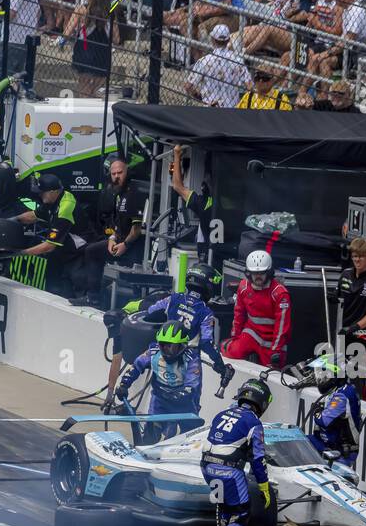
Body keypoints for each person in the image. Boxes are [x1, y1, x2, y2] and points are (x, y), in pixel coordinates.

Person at [129, 261, 232, 405]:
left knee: (159, 401)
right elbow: (206, 342)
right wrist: (220, 364)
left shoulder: (173, 298)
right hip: (188, 362)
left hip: (164, 353)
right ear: (208, 286)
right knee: (189, 411)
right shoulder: (205, 312)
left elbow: (151, 312)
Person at [201, 377, 273, 526]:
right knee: (239, 511)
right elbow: (258, 459)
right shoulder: (254, 423)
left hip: (207, 467)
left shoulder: (222, 414)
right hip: (228, 470)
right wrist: (264, 486)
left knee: (225, 508)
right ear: (262, 402)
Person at [72, 157, 143, 308]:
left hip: (133, 247)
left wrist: (125, 244)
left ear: (127, 172)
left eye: (120, 173)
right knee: (91, 250)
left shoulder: (134, 194)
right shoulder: (119, 194)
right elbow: (117, 223)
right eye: (114, 174)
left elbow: (136, 229)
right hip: (119, 242)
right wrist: (112, 238)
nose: (117, 176)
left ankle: (95, 299)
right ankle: (93, 298)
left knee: (92, 251)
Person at [114, 322, 203, 444]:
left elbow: (193, 385)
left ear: (182, 345)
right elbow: (136, 366)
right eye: (163, 345)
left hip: (185, 405)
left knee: (191, 439)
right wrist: (124, 384)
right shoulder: (153, 352)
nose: (166, 350)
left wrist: (178, 395)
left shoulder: (192, 358)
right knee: (148, 439)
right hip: (160, 402)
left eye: (171, 347)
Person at [223, 249, 291, 367]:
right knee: (231, 352)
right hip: (251, 333)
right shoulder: (243, 287)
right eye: (255, 273)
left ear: (268, 272)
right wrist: (235, 337)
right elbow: (238, 314)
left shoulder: (280, 293)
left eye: (261, 273)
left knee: (272, 371)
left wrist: (276, 351)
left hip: (272, 341)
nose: (258, 276)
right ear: (249, 273)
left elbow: (282, 327)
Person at [22, 172, 82, 295]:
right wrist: (11, 220)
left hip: (77, 251)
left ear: (53, 192)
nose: (39, 194)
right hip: (61, 248)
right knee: (51, 277)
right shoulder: (51, 201)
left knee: (63, 290)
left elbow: (49, 246)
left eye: (42, 192)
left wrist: (21, 253)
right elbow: (32, 216)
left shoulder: (65, 207)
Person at [333, 236, 366, 373]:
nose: (357, 260)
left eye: (361, 256)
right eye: (354, 256)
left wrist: (355, 327)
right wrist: (333, 298)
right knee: (340, 373)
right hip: (344, 333)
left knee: (362, 375)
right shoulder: (345, 274)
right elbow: (338, 299)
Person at [305, 356, 362, 466]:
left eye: (325, 375)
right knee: (298, 440)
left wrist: (317, 412)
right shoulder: (338, 390)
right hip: (328, 446)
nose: (321, 379)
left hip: (340, 453)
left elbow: (323, 420)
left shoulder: (342, 395)